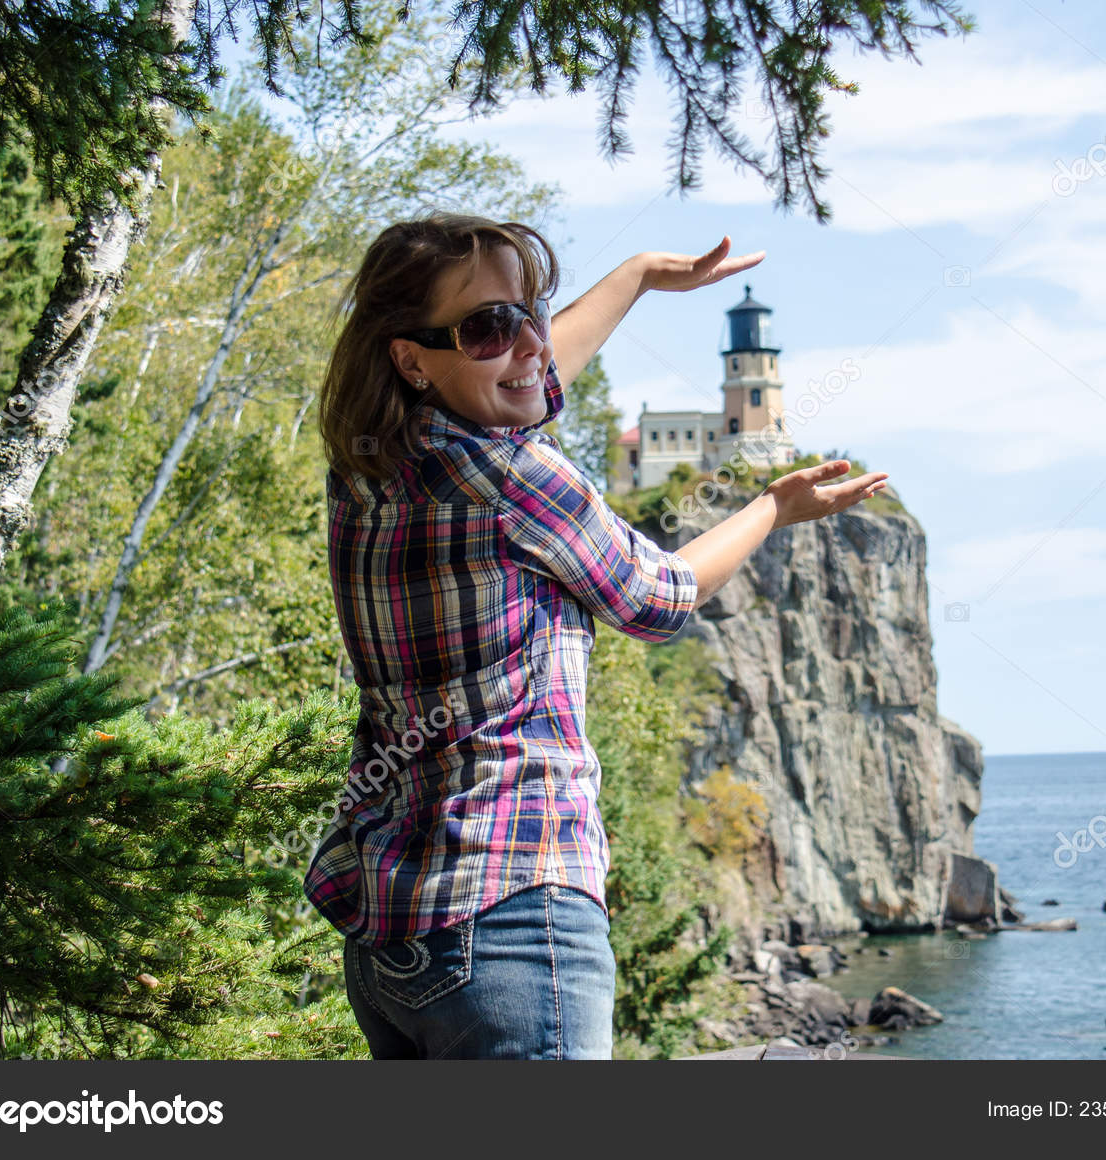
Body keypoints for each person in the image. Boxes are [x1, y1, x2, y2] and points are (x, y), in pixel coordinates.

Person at [306, 211, 889, 1059]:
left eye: (531, 313)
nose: (530, 344)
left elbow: (522, 375)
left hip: (390, 924)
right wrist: (773, 507)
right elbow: (660, 598)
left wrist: (638, 276)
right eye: (489, 326)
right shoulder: (516, 477)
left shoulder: (367, 460)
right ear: (410, 356)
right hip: (513, 912)